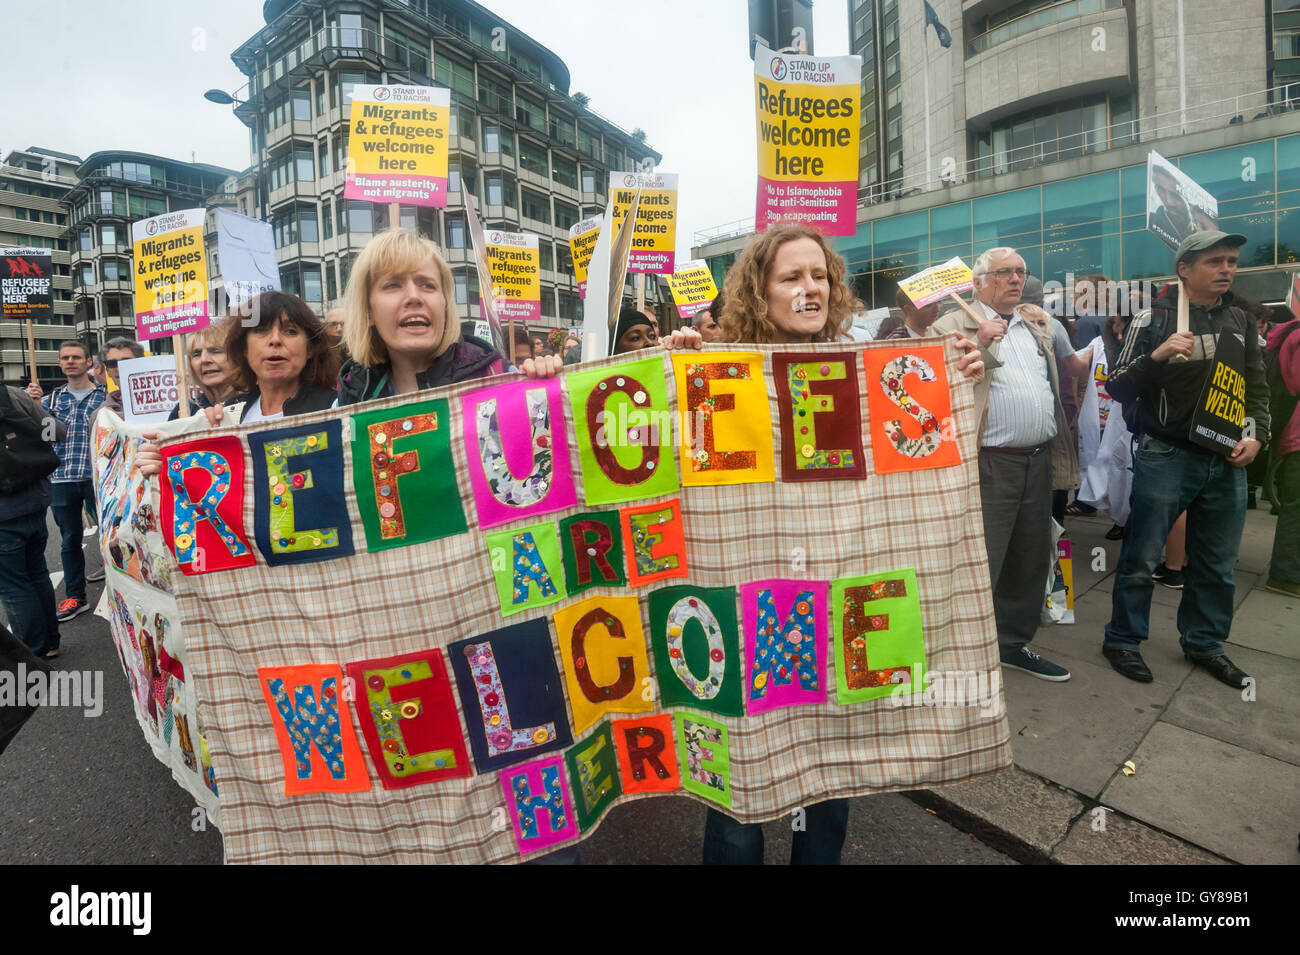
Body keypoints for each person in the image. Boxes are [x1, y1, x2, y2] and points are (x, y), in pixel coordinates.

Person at [661, 223, 985, 865]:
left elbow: (916, 465)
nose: (810, 288)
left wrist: (960, 379)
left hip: (836, 606)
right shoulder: (714, 373)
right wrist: (675, 372)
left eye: (819, 275)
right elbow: (665, 467)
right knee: (740, 794)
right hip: (748, 608)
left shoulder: (861, 373)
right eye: (791, 277)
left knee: (830, 782)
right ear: (759, 290)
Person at [1101, 231, 1269, 687]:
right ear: (1184, 269)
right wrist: (1158, 354)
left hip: (1225, 458)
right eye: (1215, 261)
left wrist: (1255, 436)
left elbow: (1256, 385)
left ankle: (1204, 644)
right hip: (1166, 454)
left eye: (1232, 260)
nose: (1227, 269)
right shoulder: (1151, 317)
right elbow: (1116, 386)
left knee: (1216, 563)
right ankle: (1122, 640)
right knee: (1142, 555)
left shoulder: (1239, 317)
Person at [932, 247, 1079, 683]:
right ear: (979, 283)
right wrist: (978, 341)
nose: (1015, 279)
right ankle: (964, 652)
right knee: (982, 557)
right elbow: (927, 380)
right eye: (1003, 273)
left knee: (1029, 555)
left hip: (1038, 460)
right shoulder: (951, 323)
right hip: (989, 463)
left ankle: (1012, 643)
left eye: (1020, 272)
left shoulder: (1035, 324)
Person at [334, 228, 559, 405]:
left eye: (427, 285)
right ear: (368, 310)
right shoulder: (349, 401)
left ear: (444, 303)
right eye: (393, 285)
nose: (414, 296)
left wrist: (548, 386)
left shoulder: (496, 378)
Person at [25, 340, 105, 622]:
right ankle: (75, 596)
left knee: (113, 536)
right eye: (65, 358)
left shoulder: (105, 397)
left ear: (88, 362)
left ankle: (120, 589)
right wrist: (31, 406)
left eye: (76, 357)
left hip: (99, 478)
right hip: (61, 479)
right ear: (60, 363)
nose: (70, 361)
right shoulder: (50, 401)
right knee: (69, 540)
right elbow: (41, 439)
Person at [0, 384, 66, 658]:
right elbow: (57, 432)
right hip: (35, 498)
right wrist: (35, 411)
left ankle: (32, 653)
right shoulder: (12, 395)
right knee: (37, 572)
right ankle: (50, 642)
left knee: (13, 585)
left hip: (4, 511)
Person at [1263, 305, 1300, 596]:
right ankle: (1286, 574)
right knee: (1296, 506)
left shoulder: (1289, 333)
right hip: (1298, 435)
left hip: (1293, 433)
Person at [167, 320, 239, 420]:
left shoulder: (256, 402)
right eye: (196, 354)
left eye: (215, 351)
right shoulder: (187, 409)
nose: (204, 360)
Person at [1148, 165, 1197, 246]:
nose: (1169, 202)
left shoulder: (1203, 232)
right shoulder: (1155, 223)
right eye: (1161, 190)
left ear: (1190, 204)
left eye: (1175, 195)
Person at [98, 336, 145, 418]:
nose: (120, 367)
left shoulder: (167, 403)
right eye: (112, 363)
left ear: (140, 364)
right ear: (108, 371)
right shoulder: (99, 416)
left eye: (126, 361)